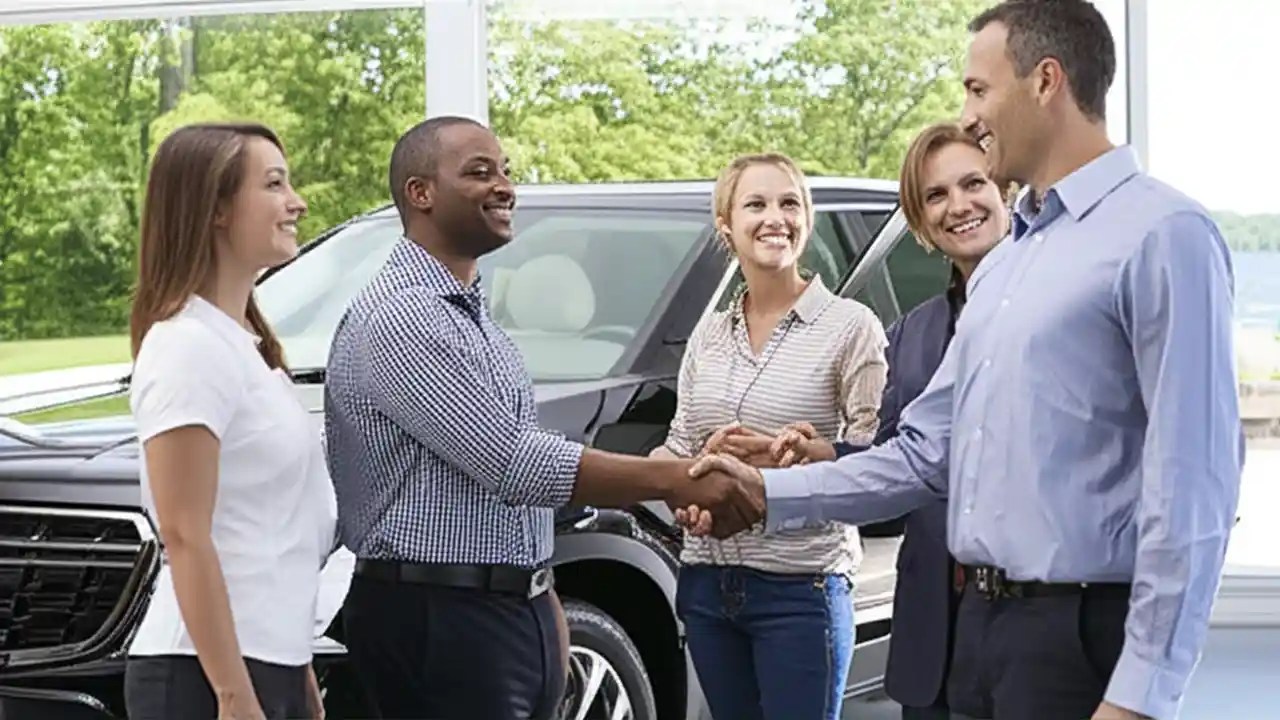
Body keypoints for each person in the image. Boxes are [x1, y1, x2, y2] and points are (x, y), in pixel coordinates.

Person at [681, 2, 1244, 719]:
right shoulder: (1008, 267)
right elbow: (921, 455)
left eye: (979, 90)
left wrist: (1142, 691)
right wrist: (766, 491)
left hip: (1079, 642)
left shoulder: (1164, 234)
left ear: (1045, 81)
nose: (969, 115)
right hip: (976, 636)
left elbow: (1195, 484)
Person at [322, 116, 756, 720]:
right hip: (436, 618)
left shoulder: (471, 316)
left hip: (503, 607)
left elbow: (511, 475)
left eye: (506, 171)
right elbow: (513, 462)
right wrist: (674, 478)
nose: (504, 186)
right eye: (479, 172)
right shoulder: (402, 319)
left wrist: (538, 589)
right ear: (420, 193)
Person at [773, 123, 1009, 720]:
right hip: (934, 638)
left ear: (1004, 189)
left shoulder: (1054, 311)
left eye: (973, 183)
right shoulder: (911, 334)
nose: (958, 206)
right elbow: (898, 470)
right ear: (920, 221)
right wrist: (829, 456)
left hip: (1030, 632)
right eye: (935, 196)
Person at [648, 152, 888, 720]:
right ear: (726, 224)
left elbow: (873, 464)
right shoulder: (708, 332)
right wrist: (678, 490)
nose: (774, 217)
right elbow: (680, 442)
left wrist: (796, 461)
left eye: (789, 203)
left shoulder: (852, 328)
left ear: (807, 218)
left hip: (800, 591)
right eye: (755, 204)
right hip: (706, 587)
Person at [125, 123, 333, 720]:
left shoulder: (244, 347)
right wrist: (234, 694)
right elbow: (186, 535)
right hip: (202, 676)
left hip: (267, 664)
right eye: (274, 184)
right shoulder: (186, 346)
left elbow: (270, 532)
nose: (297, 202)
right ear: (216, 209)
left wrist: (301, 678)